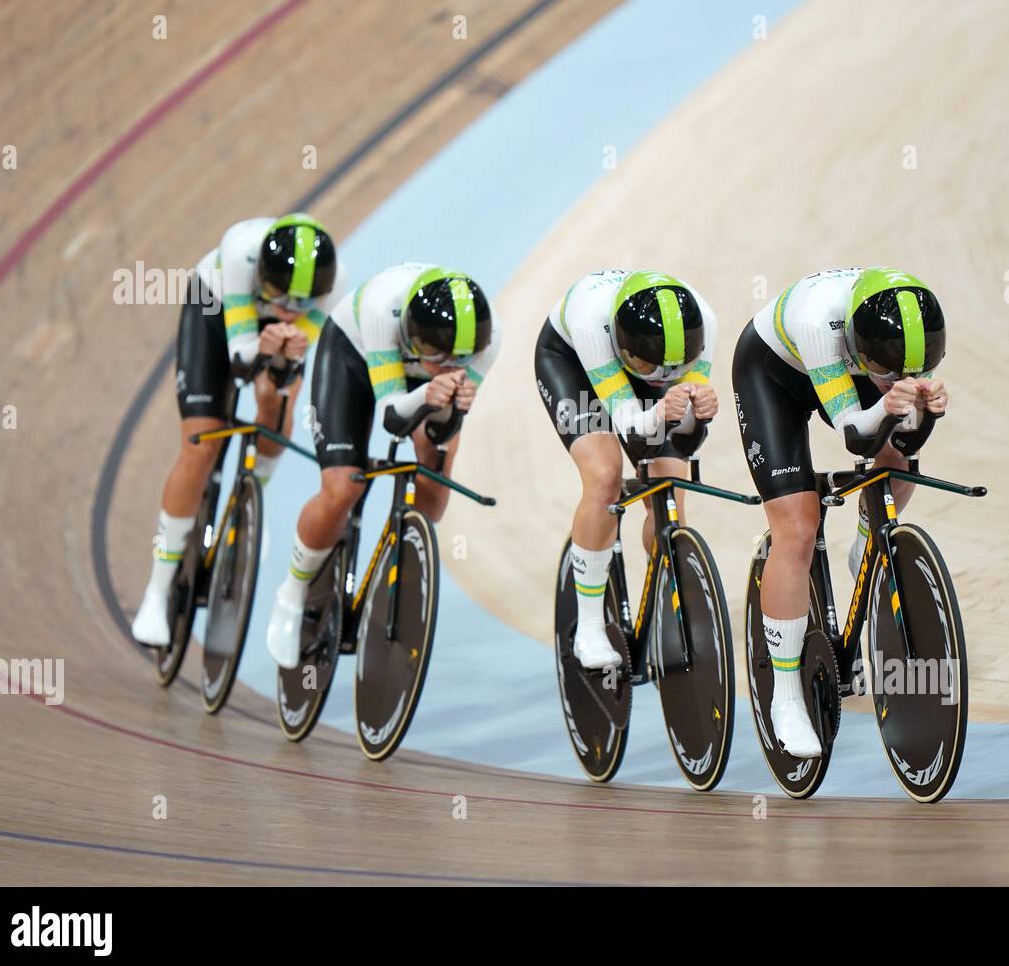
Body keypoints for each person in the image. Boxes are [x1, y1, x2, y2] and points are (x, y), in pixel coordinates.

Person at [731, 267, 948, 757]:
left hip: (852, 369)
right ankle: (784, 698)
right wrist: (893, 408)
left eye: (909, 369)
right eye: (887, 366)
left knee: (896, 447)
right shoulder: (818, 322)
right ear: (856, 338)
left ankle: (867, 545)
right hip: (774, 376)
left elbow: (903, 444)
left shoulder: (910, 340)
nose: (900, 376)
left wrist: (924, 414)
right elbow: (854, 435)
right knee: (797, 530)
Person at [265, 263, 499, 668]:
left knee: (435, 483)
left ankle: (397, 574)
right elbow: (392, 416)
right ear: (411, 334)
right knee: (343, 487)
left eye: (457, 358)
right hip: (354, 357)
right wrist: (429, 391)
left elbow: (441, 433)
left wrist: (446, 406)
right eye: (433, 352)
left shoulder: (488, 342)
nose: (446, 363)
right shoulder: (381, 309)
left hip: (419, 384)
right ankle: (292, 591)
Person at [132, 214, 346, 648]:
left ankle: (254, 496)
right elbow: (239, 357)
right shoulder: (237, 254)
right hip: (216, 313)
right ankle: (156, 590)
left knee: (276, 397)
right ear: (260, 277)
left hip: (264, 334)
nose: (288, 309)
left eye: (301, 303)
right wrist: (260, 349)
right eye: (278, 295)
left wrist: (282, 363)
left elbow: (282, 370)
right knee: (201, 442)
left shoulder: (332, 284)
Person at [534, 269, 719, 670]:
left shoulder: (702, 322)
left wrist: (698, 416)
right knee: (605, 478)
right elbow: (632, 429)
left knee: (669, 492)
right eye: (649, 368)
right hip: (574, 367)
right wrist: (662, 409)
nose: (661, 379)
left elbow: (685, 439)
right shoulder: (591, 322)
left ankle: (669, 606)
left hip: (642, 376)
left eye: (675, 369)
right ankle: (588, 626)